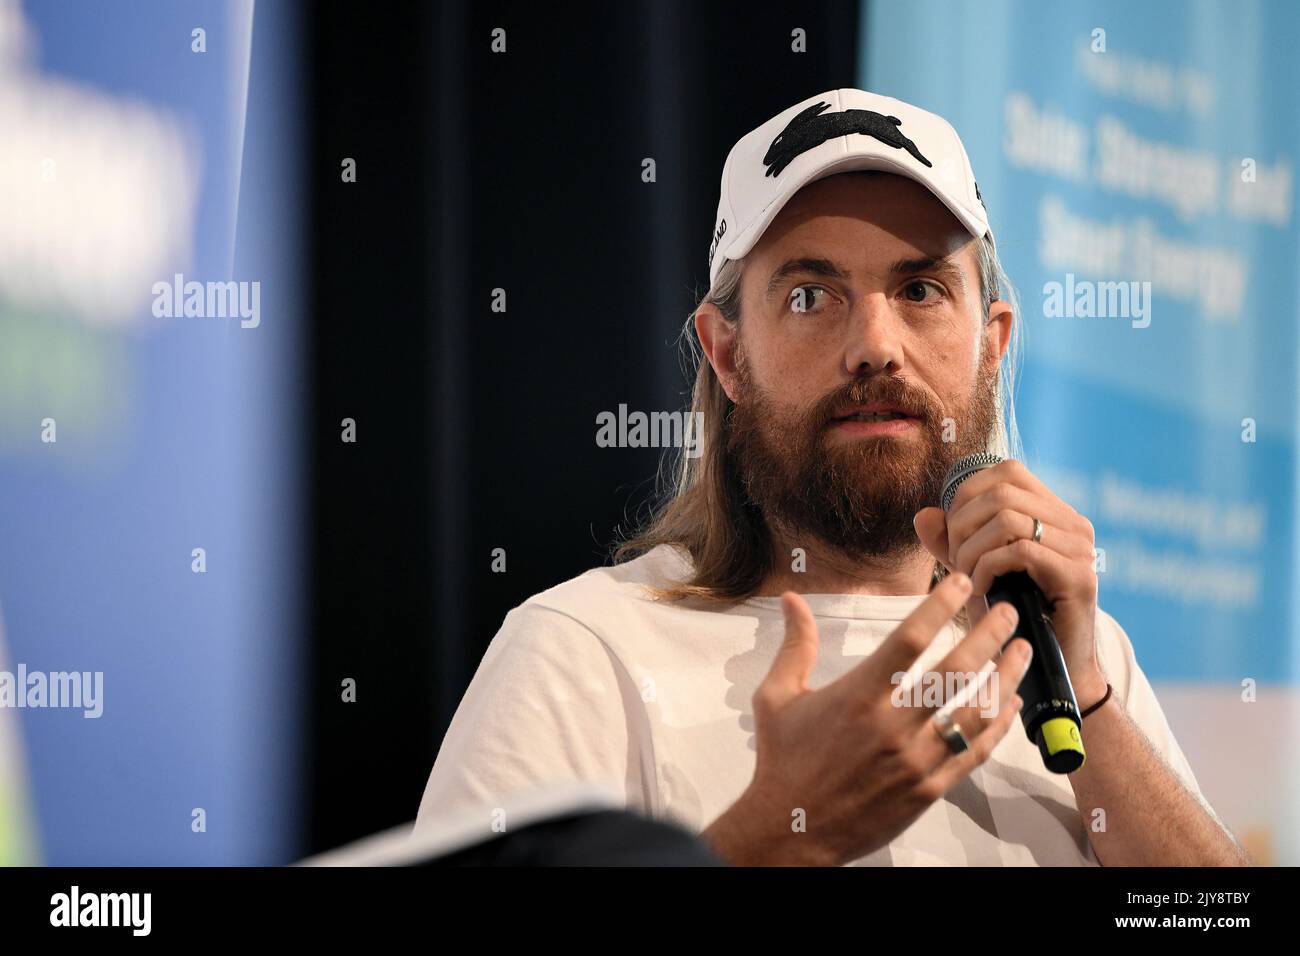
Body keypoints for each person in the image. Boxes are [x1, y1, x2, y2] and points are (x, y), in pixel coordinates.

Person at [415, 88, 1248, 866]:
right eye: (812, 296)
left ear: (990, 344)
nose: (875, 346)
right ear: (729, 354)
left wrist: (1090, 698)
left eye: (920, 288)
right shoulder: (582, 650)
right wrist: (774, 837)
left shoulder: (1081, 659)